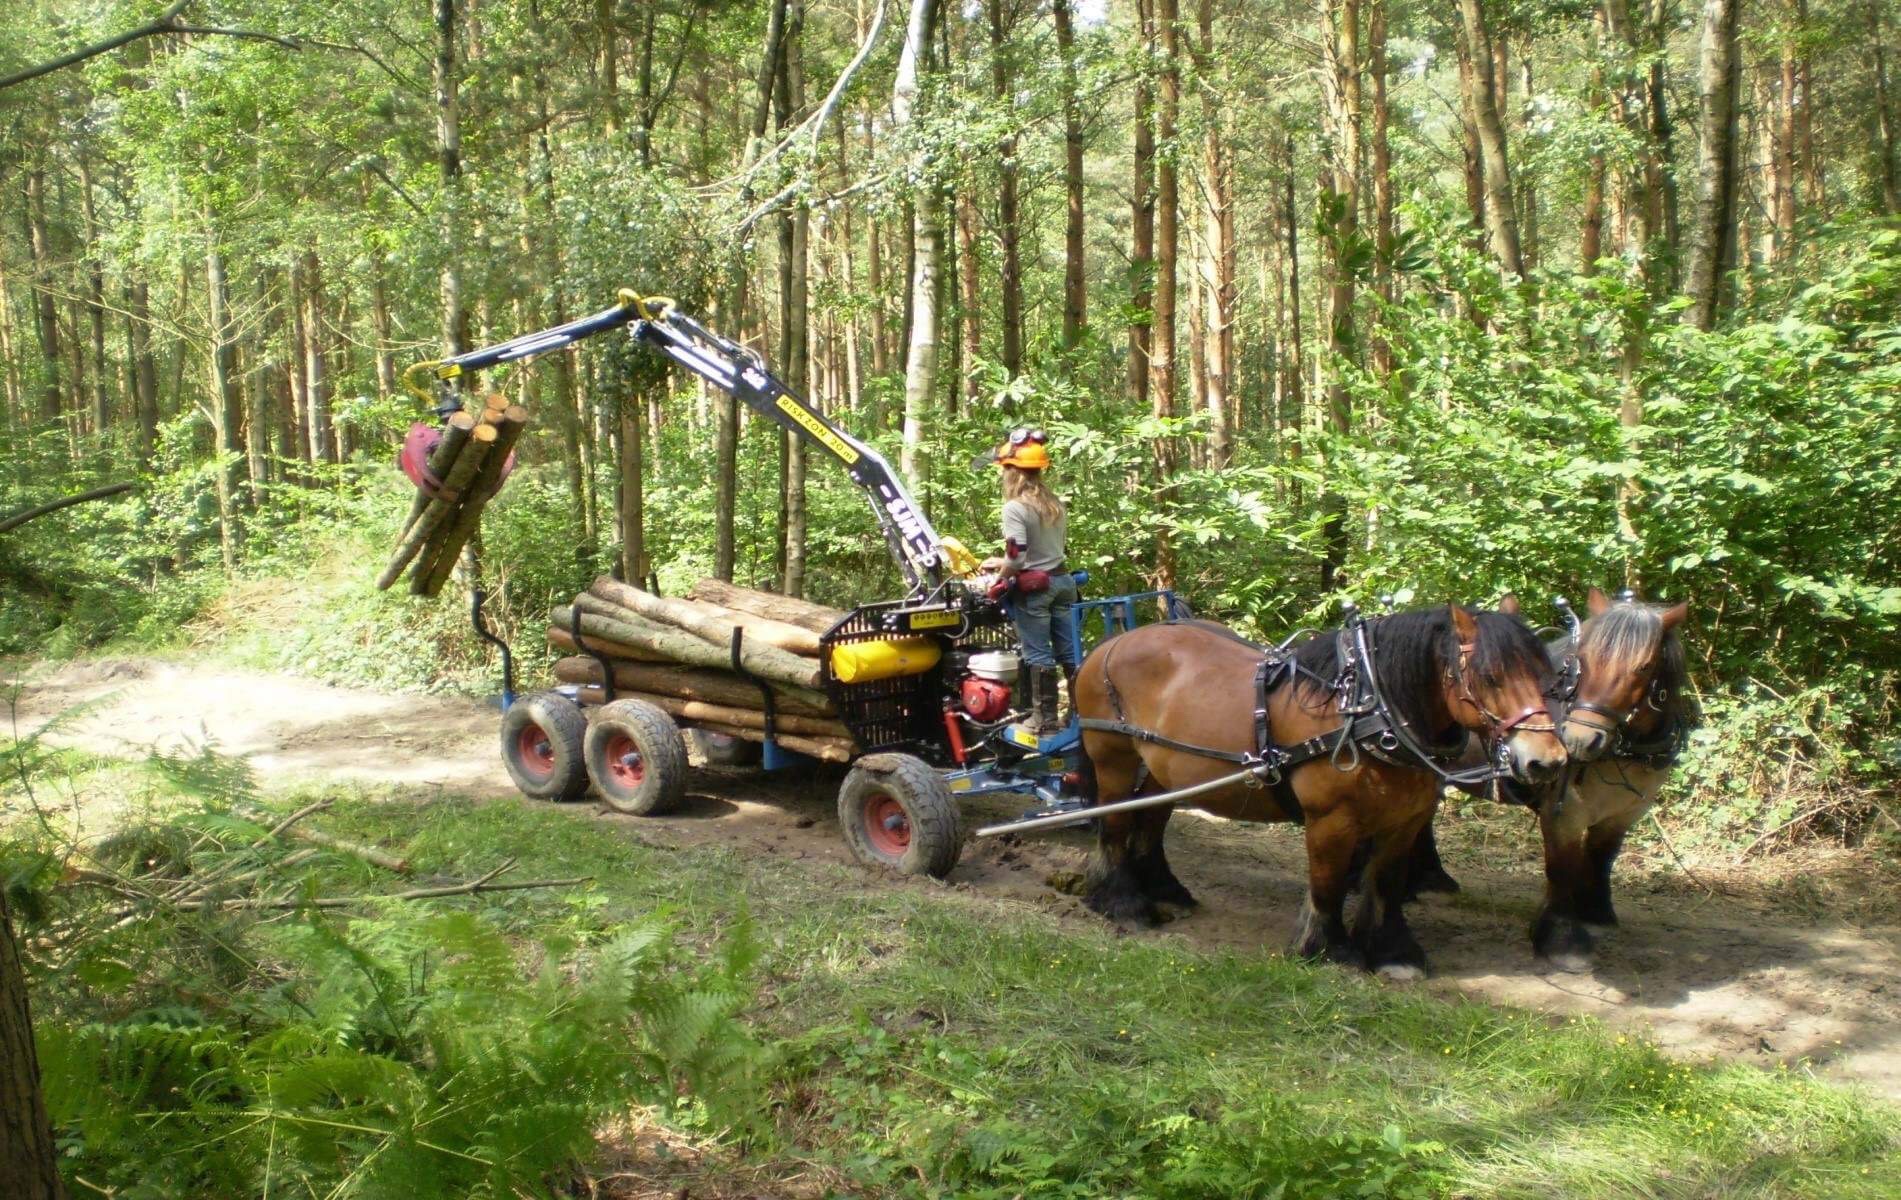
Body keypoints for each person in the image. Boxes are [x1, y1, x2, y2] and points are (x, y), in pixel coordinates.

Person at [984, 428, 1078, 732]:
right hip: (1063, 583)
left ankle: (1043, 720)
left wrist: (998, 580)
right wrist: (1004, 561)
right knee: (1070, 652)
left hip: (1036, 590)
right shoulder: (1053, 503)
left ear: (1012, 471)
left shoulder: (1015, 507)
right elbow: (1046, 550)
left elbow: (1017, 557)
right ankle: (1080, 715)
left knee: (1038, 653)